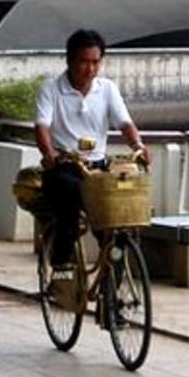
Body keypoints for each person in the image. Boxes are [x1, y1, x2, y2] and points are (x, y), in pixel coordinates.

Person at [34, 29, 148, 268]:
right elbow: (42, 126)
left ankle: (113, 296)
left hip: (97, 168)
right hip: (64, 167)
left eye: (95, 62)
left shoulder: (106, 89)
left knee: (113, 224)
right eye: (84, 62)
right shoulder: (51, 89)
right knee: (69, 217)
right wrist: (49, 154)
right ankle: (60, 270)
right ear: (70, 60)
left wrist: (138, 145)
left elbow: (125, 123)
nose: (90, 69)